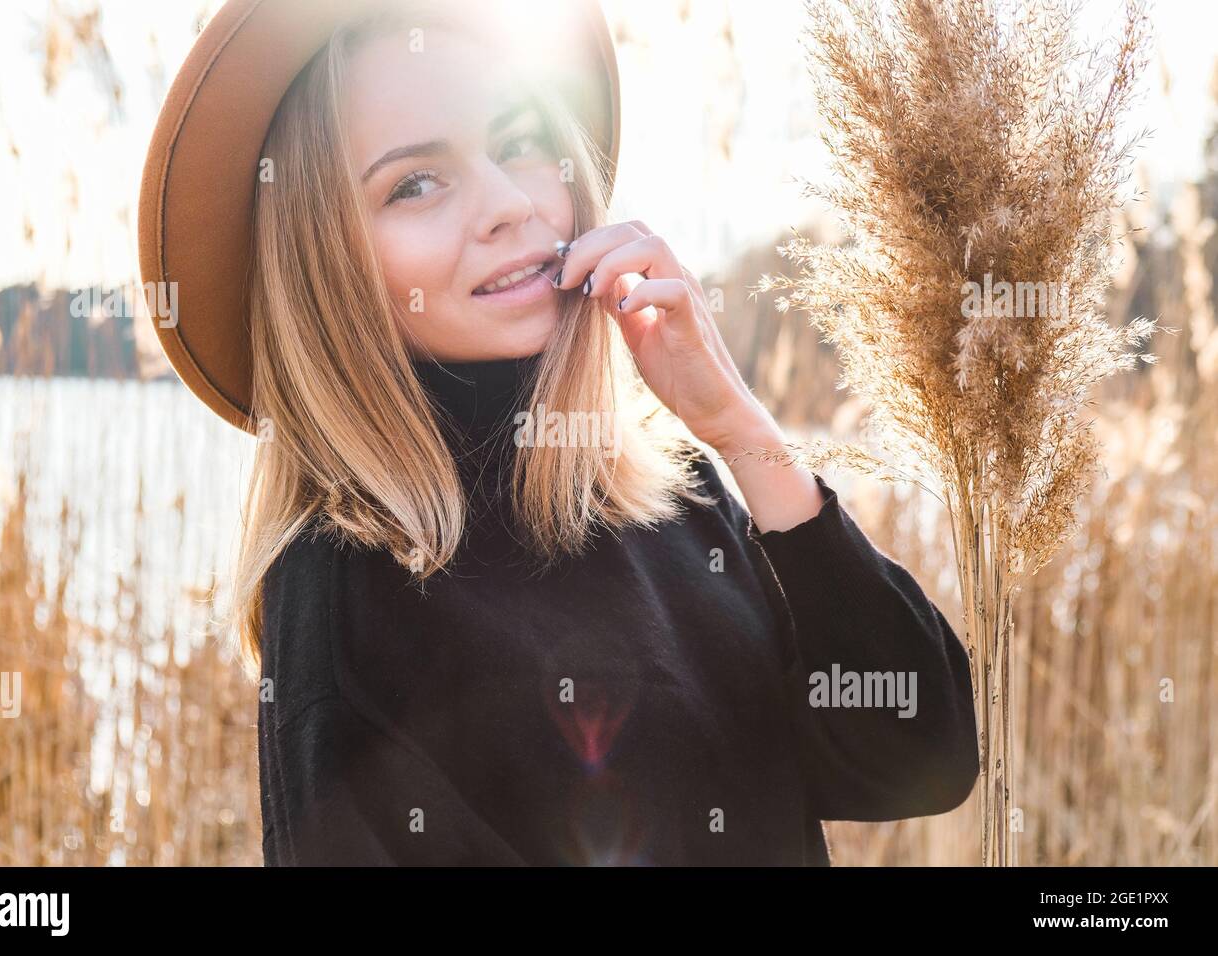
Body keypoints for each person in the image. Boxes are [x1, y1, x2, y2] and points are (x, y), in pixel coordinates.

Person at [139, 0, 979, 866]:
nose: (508, 203)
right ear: (324, 261)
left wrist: (740, 428)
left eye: (520, 141)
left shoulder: (675, 488)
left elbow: (921, 764)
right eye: (414, 184)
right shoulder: (346, 586)